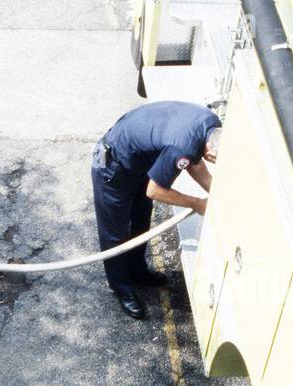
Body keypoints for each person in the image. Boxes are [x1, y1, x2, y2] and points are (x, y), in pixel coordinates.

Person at [91, 100, 221, 320]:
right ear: (210, 151)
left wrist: (216, 193)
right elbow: (156, 191)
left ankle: (138, 271)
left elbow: (195, 162)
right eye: (215, 160)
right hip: (114, 166)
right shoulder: (182, 146)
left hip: (140, 162)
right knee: (115, 233)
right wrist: (197, 203)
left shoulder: (212, 126)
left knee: (141, 220)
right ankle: (120, 287)